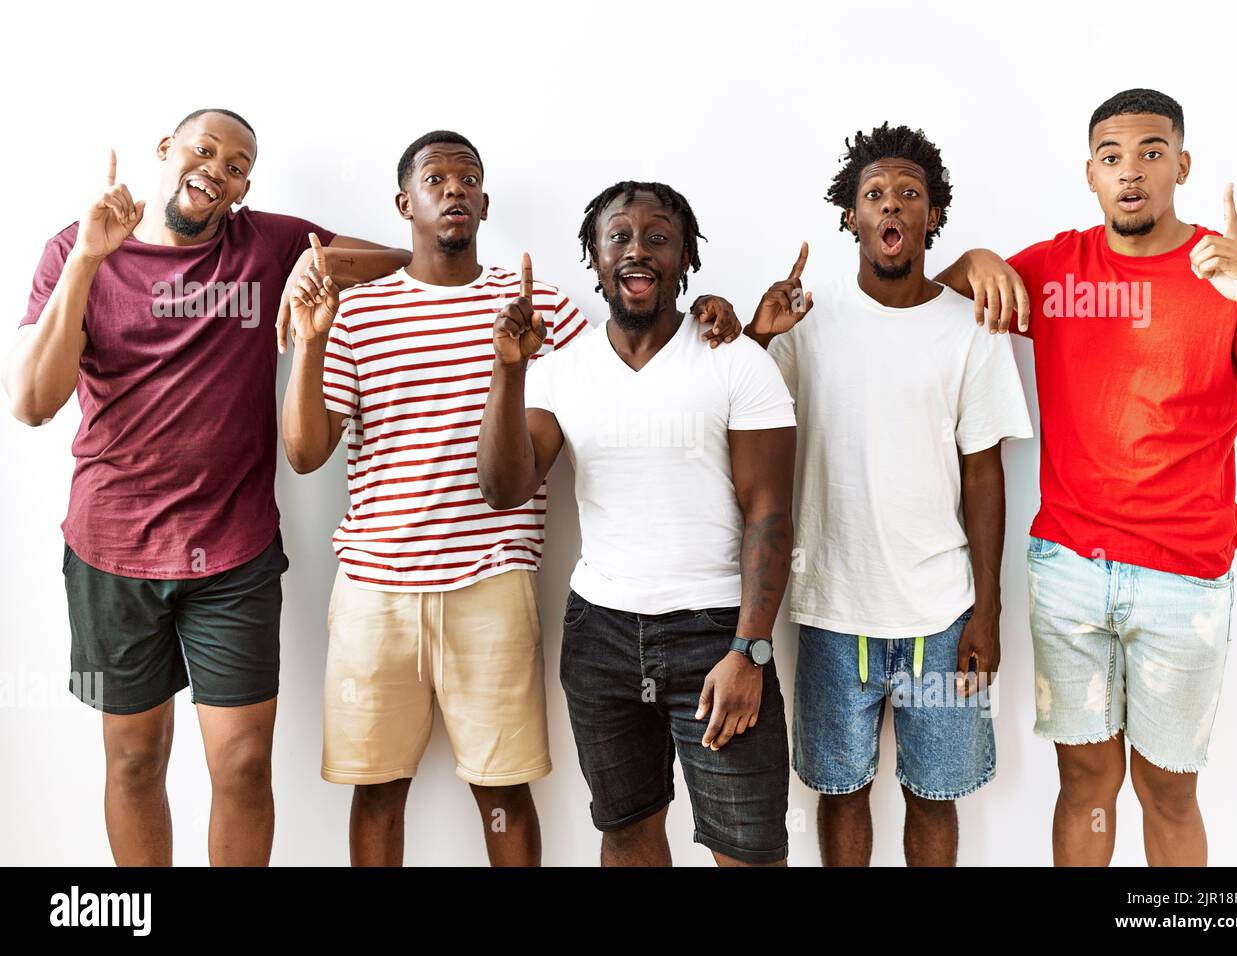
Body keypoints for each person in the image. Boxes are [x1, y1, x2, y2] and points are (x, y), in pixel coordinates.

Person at [283, 134, 742, 865]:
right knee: (376, 790)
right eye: (436, 179)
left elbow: (635, 357)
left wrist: (709, 312)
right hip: (377, 588)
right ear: (406, 204)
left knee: (503, 792)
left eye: (469, 178)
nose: (455, 189)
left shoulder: (540, 308)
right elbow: (306, 455)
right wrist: (309, 343)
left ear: (487, 203)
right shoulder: (359, 314)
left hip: (492, 582)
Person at [3, 108, 410, 866]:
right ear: (167, 151)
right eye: (205, 150)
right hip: (110, 553)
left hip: (235, 553)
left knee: (245, 763)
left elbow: (392, 260)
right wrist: (90, 257)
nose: (217, 170)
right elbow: (30, 403)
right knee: (132, 760)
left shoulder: (270, 242)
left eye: (237, 165)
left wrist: (313, 275)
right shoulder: (76, 245)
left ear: (244, 186)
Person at [937, 88, 1237, 866]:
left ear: (1182, 165)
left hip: (1184, 579)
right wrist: (973, 261)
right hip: (1070, 571)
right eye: (1112, 158)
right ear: (1091, 175)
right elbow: (923, 312)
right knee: (1085, 786)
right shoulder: (1060, 268)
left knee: (1168, 792)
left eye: (1150, 153)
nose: (1130, 172)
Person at [478, 181, 796, 866]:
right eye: (618, 235)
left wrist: (751, 651)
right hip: (601, 638)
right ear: (594, 256)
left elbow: (769, 513)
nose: (637, 250)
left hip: (716, 636)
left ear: (686, 258)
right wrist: (509, 373)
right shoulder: (558, 372)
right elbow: (505, 487)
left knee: (750, 851)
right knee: (625, 831)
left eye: (658, 237)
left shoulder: (737, 362)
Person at [745, 123, 1033, 865]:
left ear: (933, 215)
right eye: (874, 194)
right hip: (835, 612)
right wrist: (753, 332)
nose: (891, 205)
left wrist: (988, 611)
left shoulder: (969, 329)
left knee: (934, 795)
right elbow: (736, 426)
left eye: (910, 193)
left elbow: (984, 472)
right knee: (840, 790)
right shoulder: (809, 324)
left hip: (942, 615)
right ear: (851, 216)